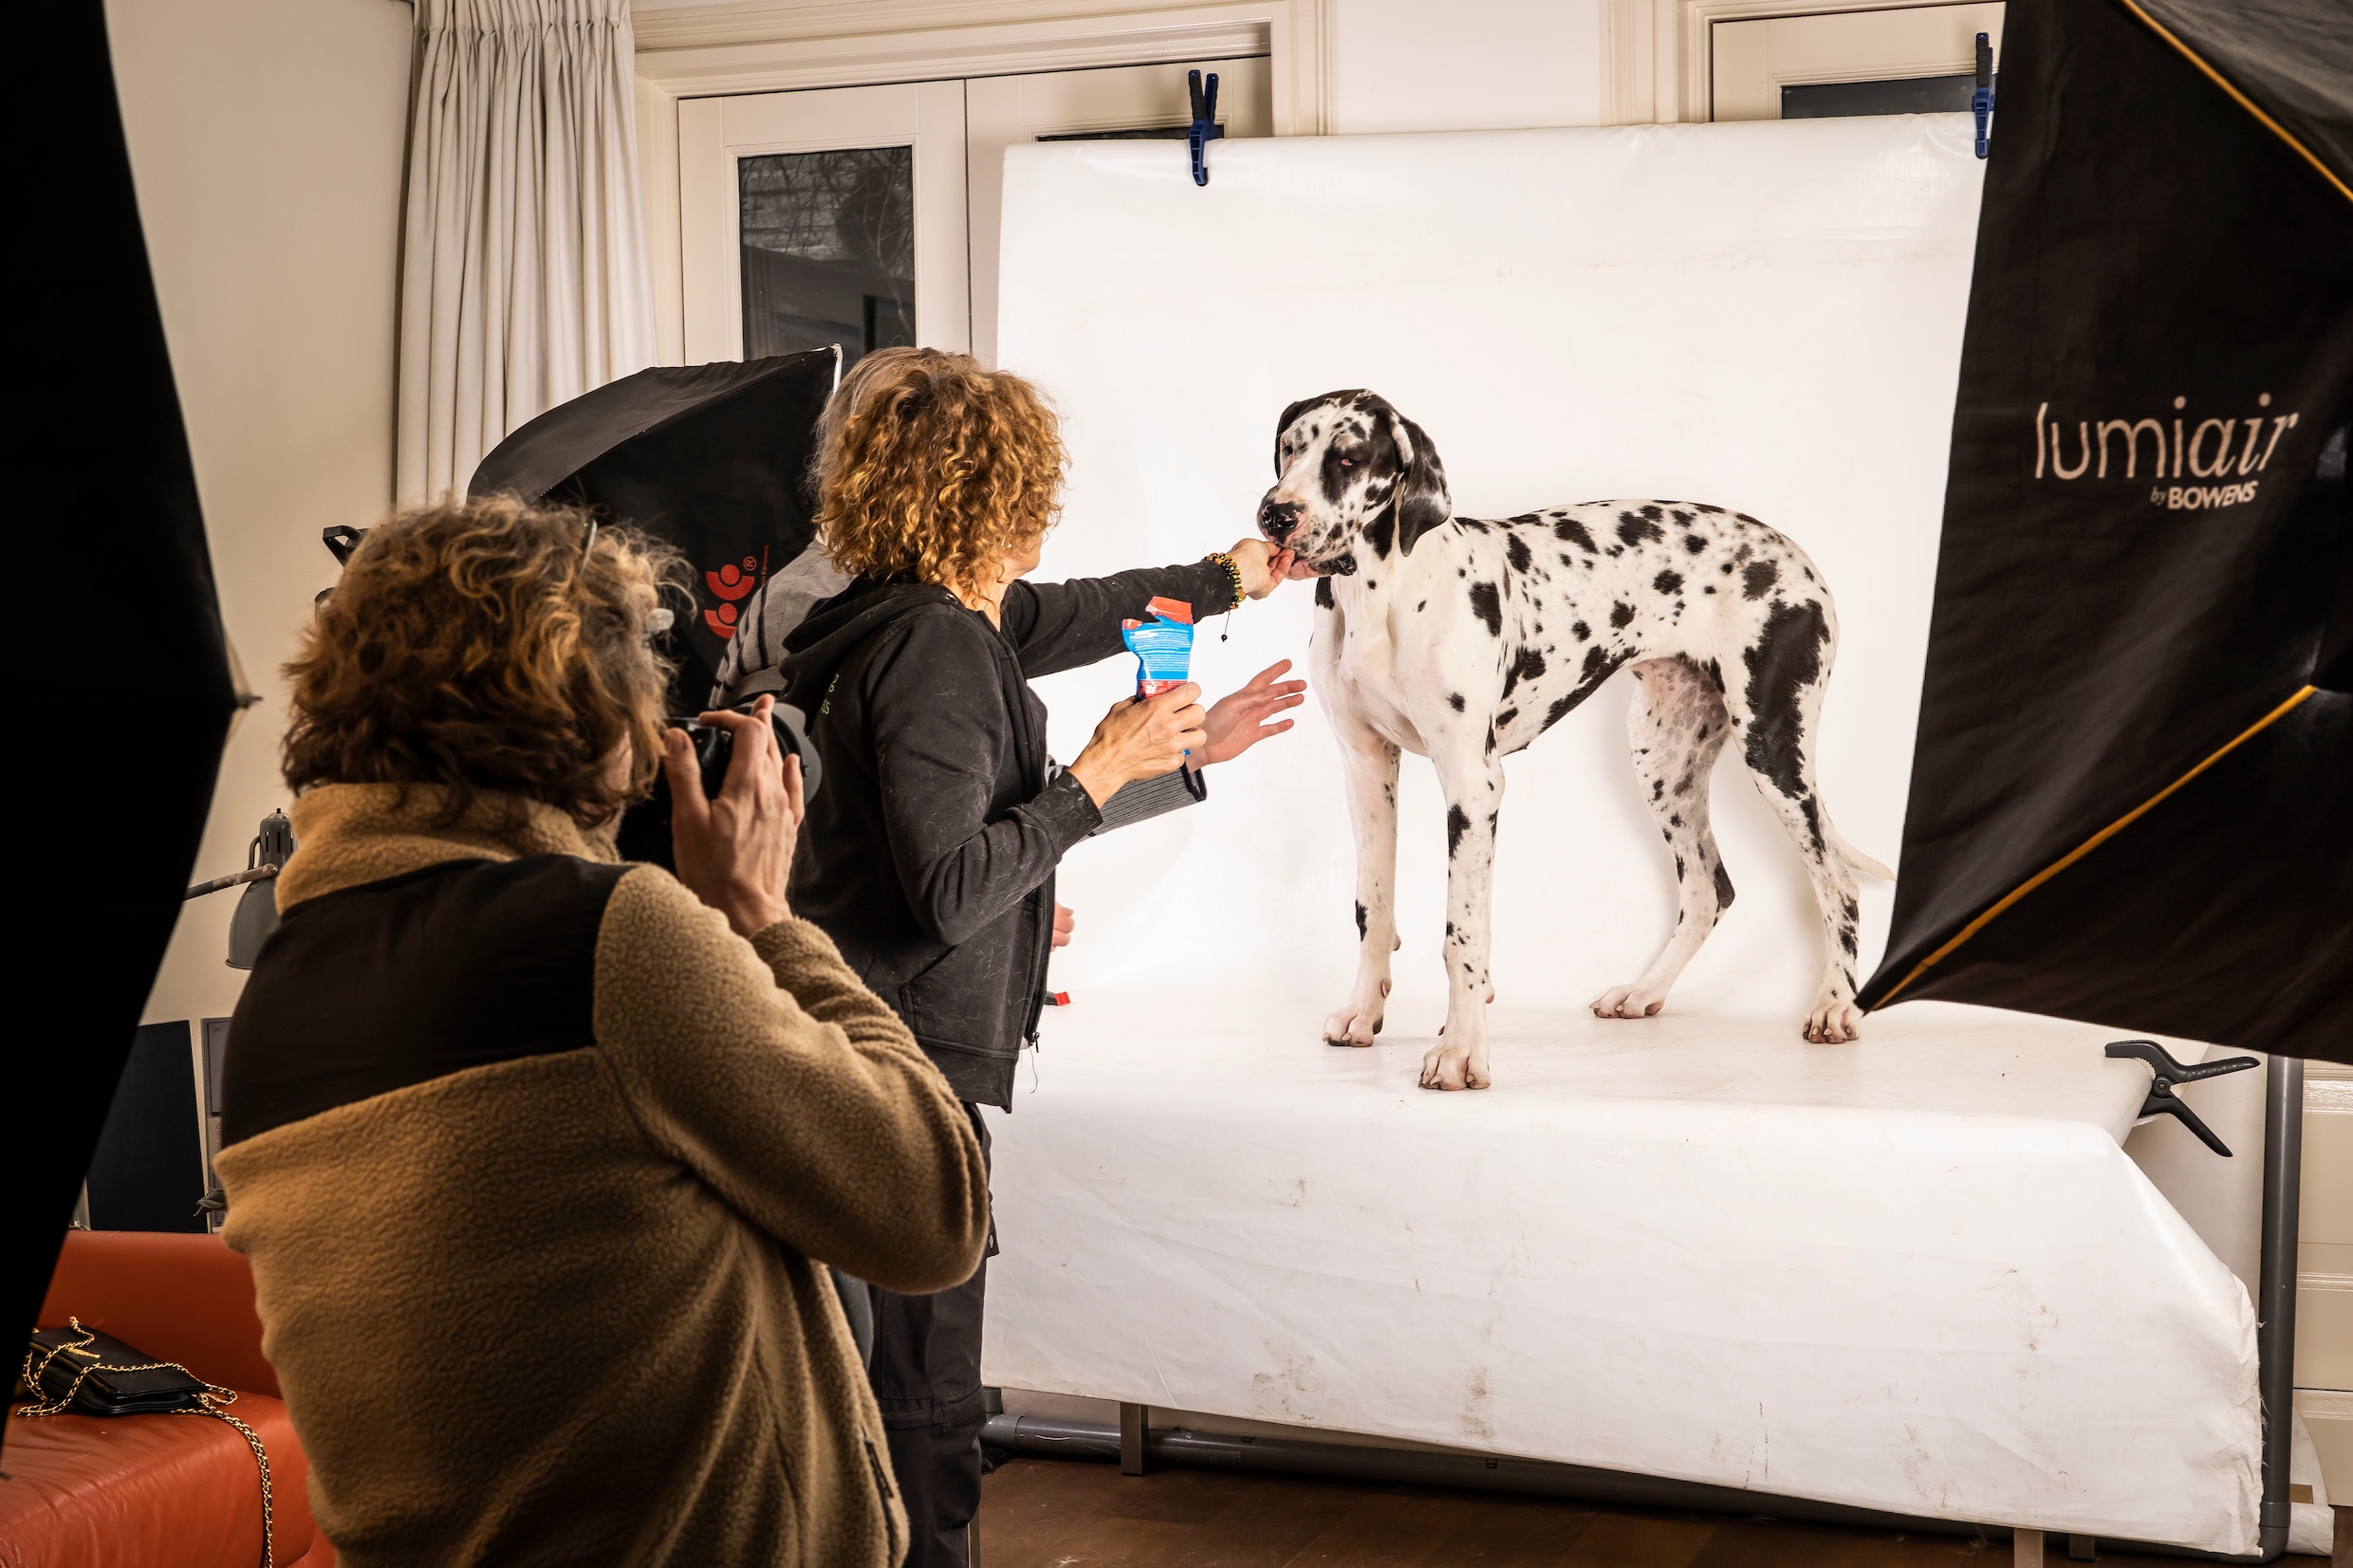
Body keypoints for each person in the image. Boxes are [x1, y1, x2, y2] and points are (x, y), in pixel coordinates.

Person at [213, 494, 989, 1568]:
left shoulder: (279, 996)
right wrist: (762, 916)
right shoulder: (607, 941)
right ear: (591, 707)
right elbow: (931, 1210)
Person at [773, 348, 1306, 1567]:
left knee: (911, 1397)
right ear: (995, 492)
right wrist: (1102, 767)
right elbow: (955, 888)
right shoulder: (938, 652)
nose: (1047, 508)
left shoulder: (930, 619)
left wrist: (1221, 604)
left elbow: (1077, 628)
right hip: (898, 1072)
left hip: (884, 1056)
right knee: (926, 1415)